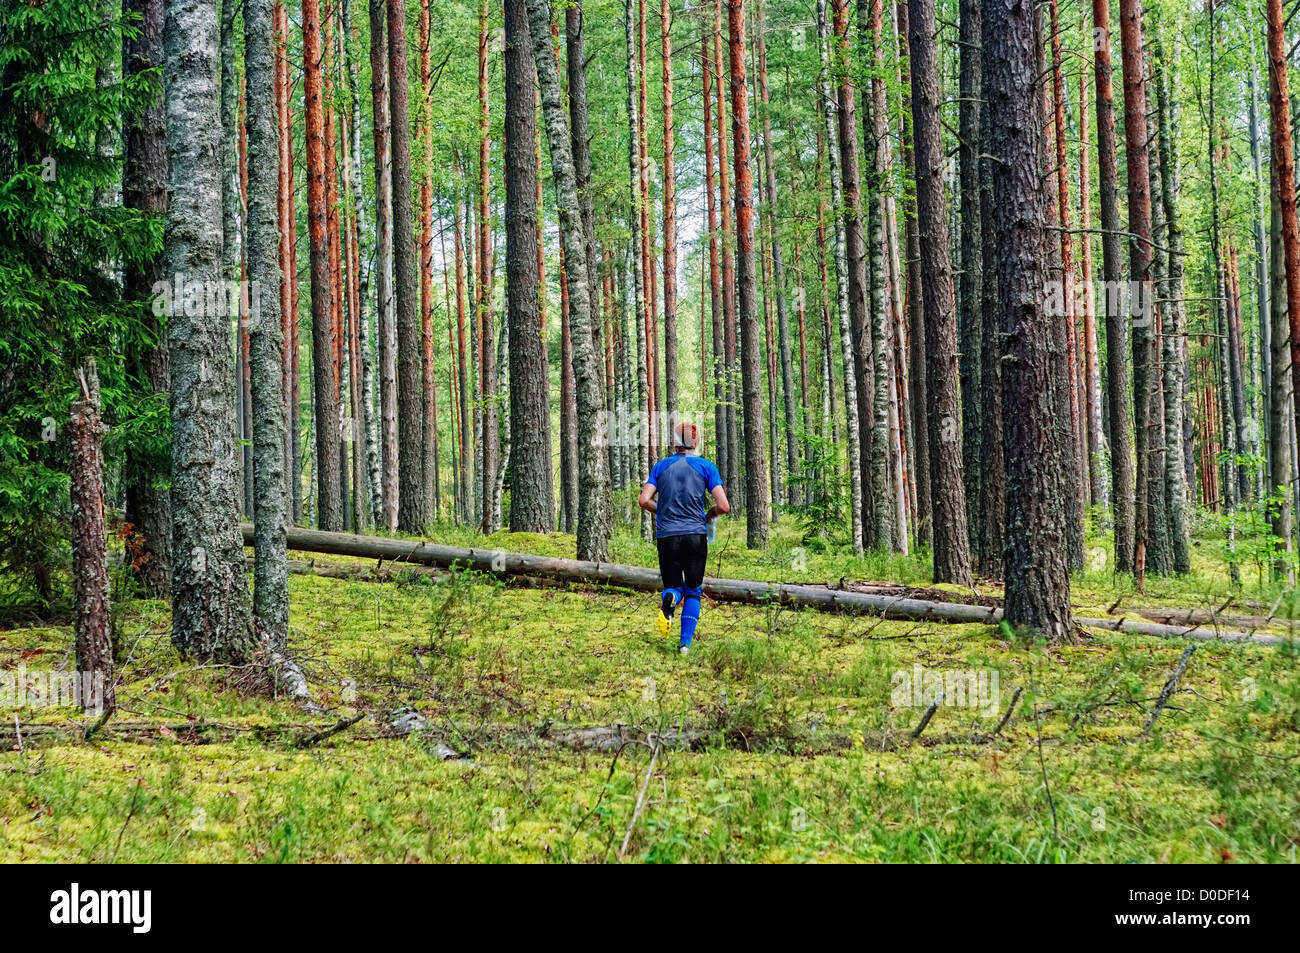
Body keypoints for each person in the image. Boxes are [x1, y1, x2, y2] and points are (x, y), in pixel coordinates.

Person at [637, 421, 730, 655]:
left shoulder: (660, 467)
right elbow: (724, 506)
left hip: (667, 536)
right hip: (695, 536)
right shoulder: (706, 467)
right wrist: (709, 515)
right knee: (693, 590)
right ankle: (684, 645)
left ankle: (669, 599)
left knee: (673, 586)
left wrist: (664, 511)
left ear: (675, 442)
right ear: (696, 442)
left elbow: (644, 500)